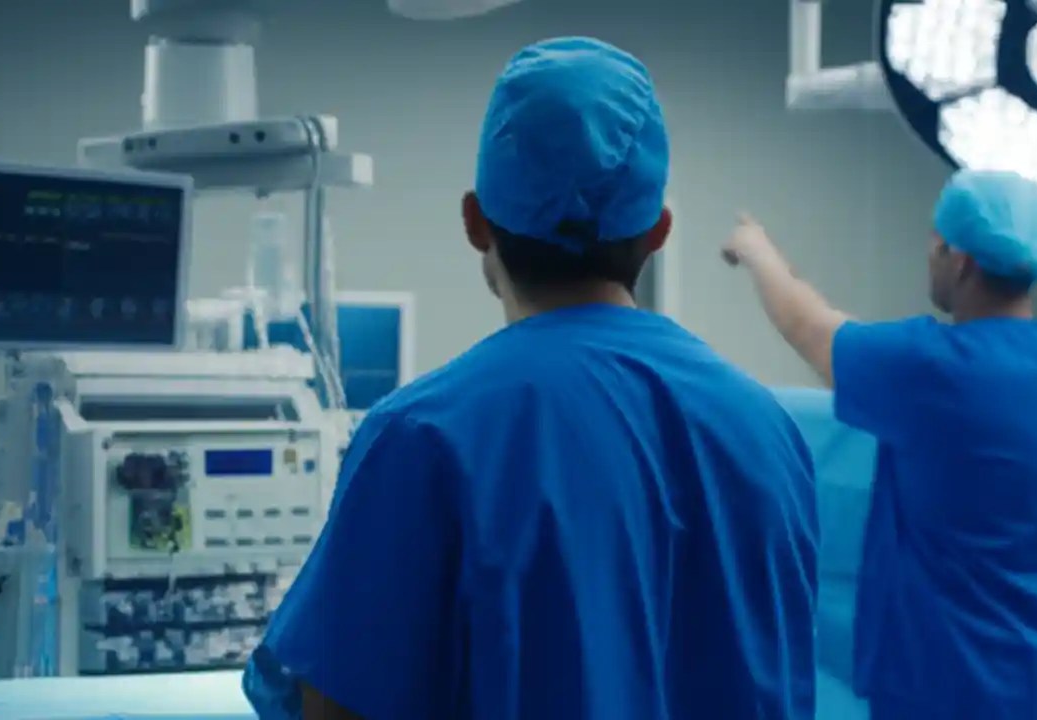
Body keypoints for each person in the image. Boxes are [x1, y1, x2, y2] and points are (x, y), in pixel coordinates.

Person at [243, 36, 819, 720]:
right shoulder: (768, 432)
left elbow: (334, 707)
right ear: (658, 231)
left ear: (474, 221)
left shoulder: (424, 436)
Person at [721, 169, 1037, 720]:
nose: (929, 255)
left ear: (961, 261)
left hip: (948, 687)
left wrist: (757, 251)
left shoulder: (934, 369)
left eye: (936, 244)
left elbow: (808, 326)